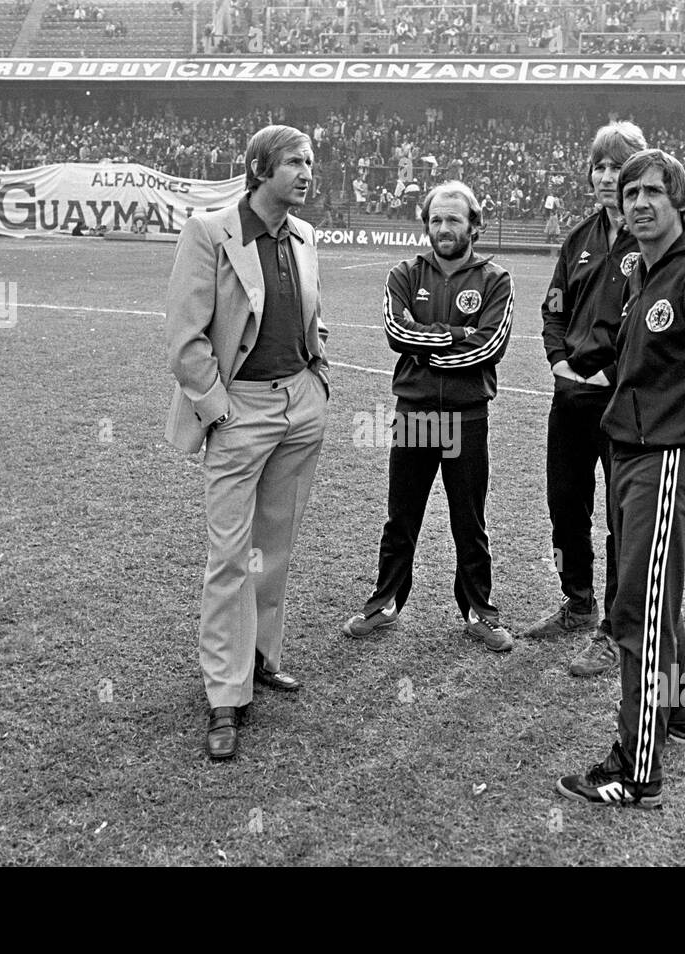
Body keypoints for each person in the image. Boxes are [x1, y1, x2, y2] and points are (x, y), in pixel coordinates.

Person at [556, 149, 685, 808]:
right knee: (655, 595)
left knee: (635, 609)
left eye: (653, 191)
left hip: (672, 457)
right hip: (629, 452)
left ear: (682, 204)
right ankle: (676, 713)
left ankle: (634, 770)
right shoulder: (642, 275)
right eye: (630, 193)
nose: (639, 202)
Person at [164, 125, 329, 762]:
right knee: (229, 556)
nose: (307, 171)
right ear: (260, 168)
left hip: (300, 404)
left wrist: (319, 374)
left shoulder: (306, 235)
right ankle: (225, 695)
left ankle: (262, 659)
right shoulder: (209, 232)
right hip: (242, 411)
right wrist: (219, 410)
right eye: (294, 161)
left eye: (311, 161)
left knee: (275, 547)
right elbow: (185, 337)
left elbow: (312, 315)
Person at [342, 181, 515, 653]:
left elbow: (491, 346)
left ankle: (479, 611)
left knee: (469, 518)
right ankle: (385, 601)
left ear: (473, 226)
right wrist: (457, 337)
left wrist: (430, 346)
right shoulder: (404, 273)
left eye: (453, 219)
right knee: (402, 515)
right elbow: (397, 333)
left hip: (466, 416)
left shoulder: (496, 280)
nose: (443, 228)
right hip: (414, 412)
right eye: (436, 219)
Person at [523, 122, 647, 681]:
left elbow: (656, 330)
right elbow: (553, 308)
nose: (604, 176)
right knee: (565, 504)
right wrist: (558, 360)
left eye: (616, 166)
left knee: (623, 517)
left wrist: (612, 375)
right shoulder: (578, 239)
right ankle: (578, 603)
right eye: (597, 166)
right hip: (569, 396)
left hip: (624, 404)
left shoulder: (652, 243)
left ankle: (613, 633)